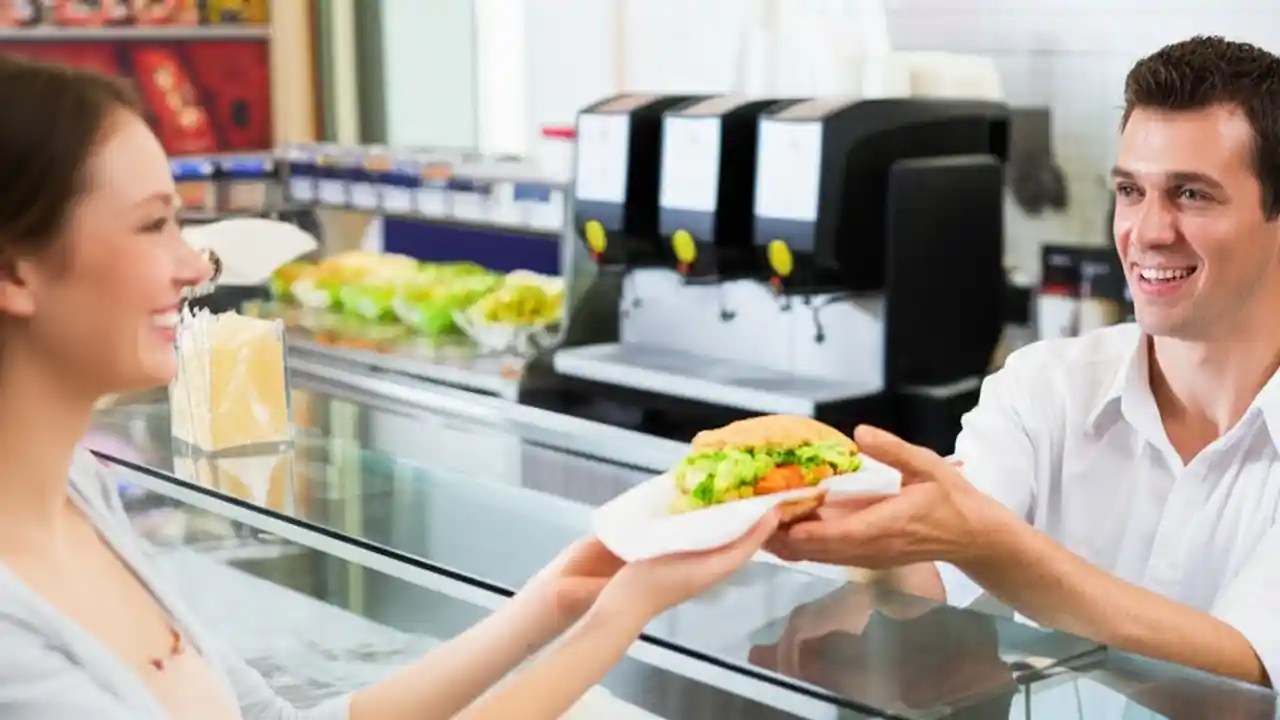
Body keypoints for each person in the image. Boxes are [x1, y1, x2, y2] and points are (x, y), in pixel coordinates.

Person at [0, 54, 781, 720]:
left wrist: (550, 606)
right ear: (12, 270)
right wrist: (624, 614)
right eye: (151, 225)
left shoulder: (78, 492)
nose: (193, 264)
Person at [767, 35, 1280, 688]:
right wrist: (858, 547)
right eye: (1130, 191)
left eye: (1192, 195)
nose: (1147, 231)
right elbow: (932, 573)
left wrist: (985, 544)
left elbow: (1245, 668)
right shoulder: (1046, 389)